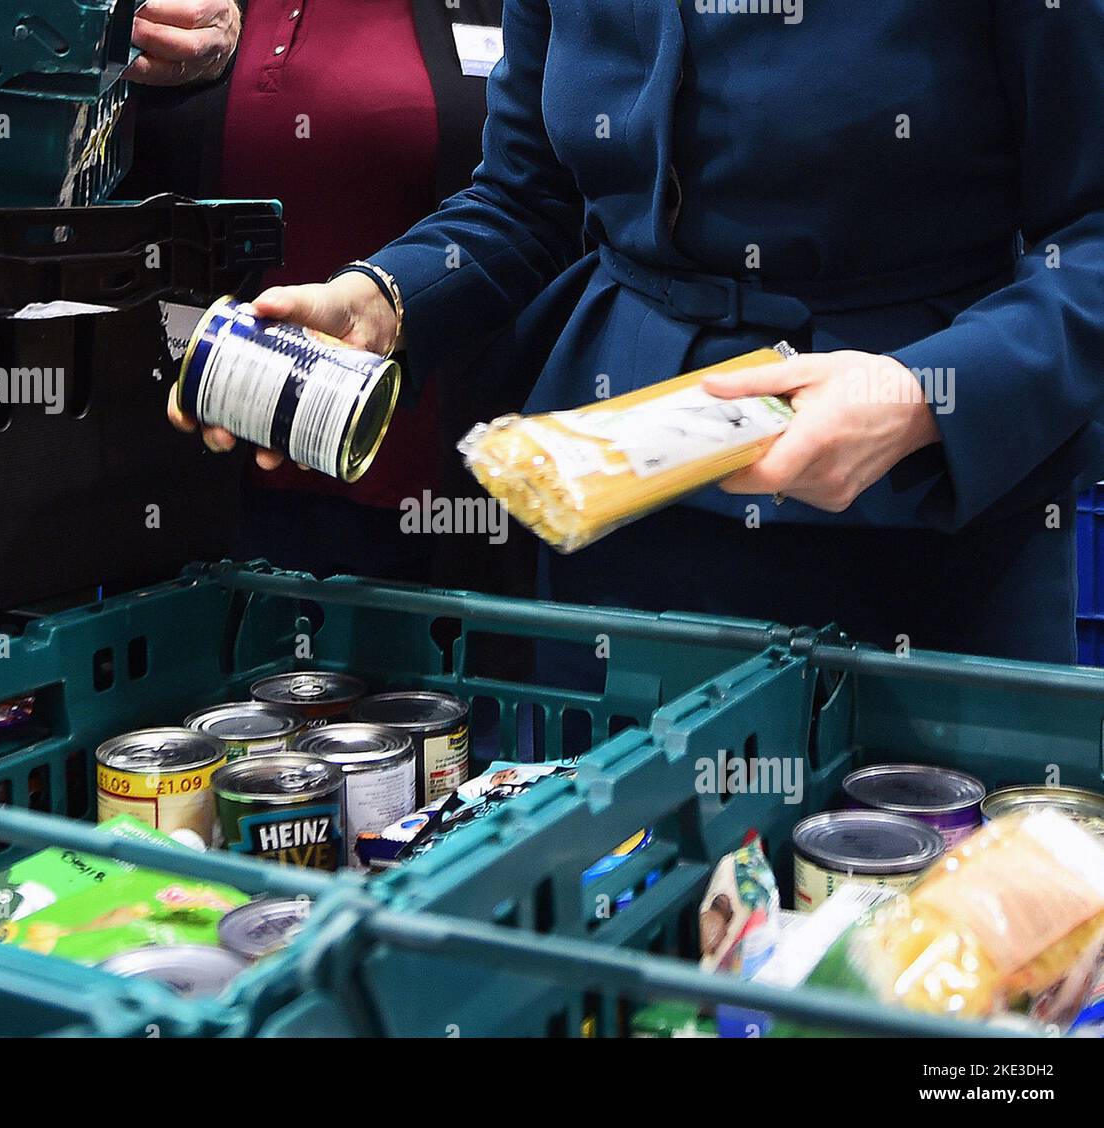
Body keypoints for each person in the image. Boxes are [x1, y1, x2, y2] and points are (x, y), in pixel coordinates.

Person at [171, 3, 1104, 666]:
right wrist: (380, 300)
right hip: (621, 511)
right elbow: (529, 197)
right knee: (634, 883)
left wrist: (926, 395)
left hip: (929, 528)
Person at [126, 0, 520, 588]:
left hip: (437, 491)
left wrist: (383, 299)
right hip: (195, 467)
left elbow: (537, 202)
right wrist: (122, 28)